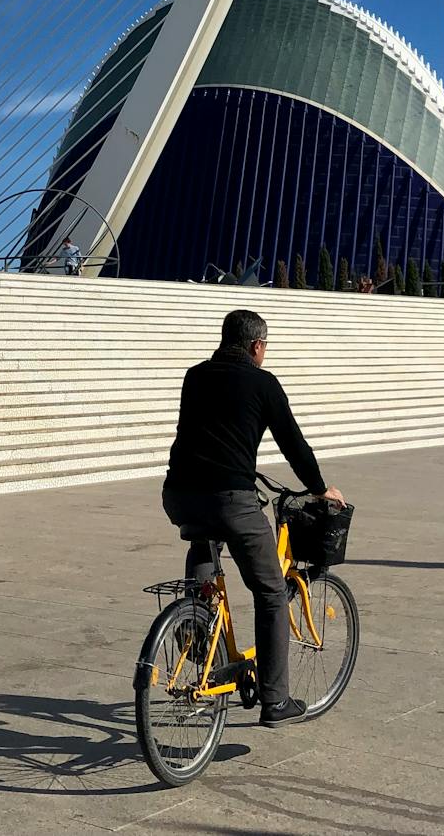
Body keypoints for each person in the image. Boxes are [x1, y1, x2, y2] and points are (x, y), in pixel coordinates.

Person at [161, 309, 345, 728]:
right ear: (256, 346)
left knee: (204, 540)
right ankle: (276, 700)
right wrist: (320, 488)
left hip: (179, 495)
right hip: (230, 498)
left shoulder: (195, 376)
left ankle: (196, 623)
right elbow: (293, 444)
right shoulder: (263, 383)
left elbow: (201, 431)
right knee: (271, 591)